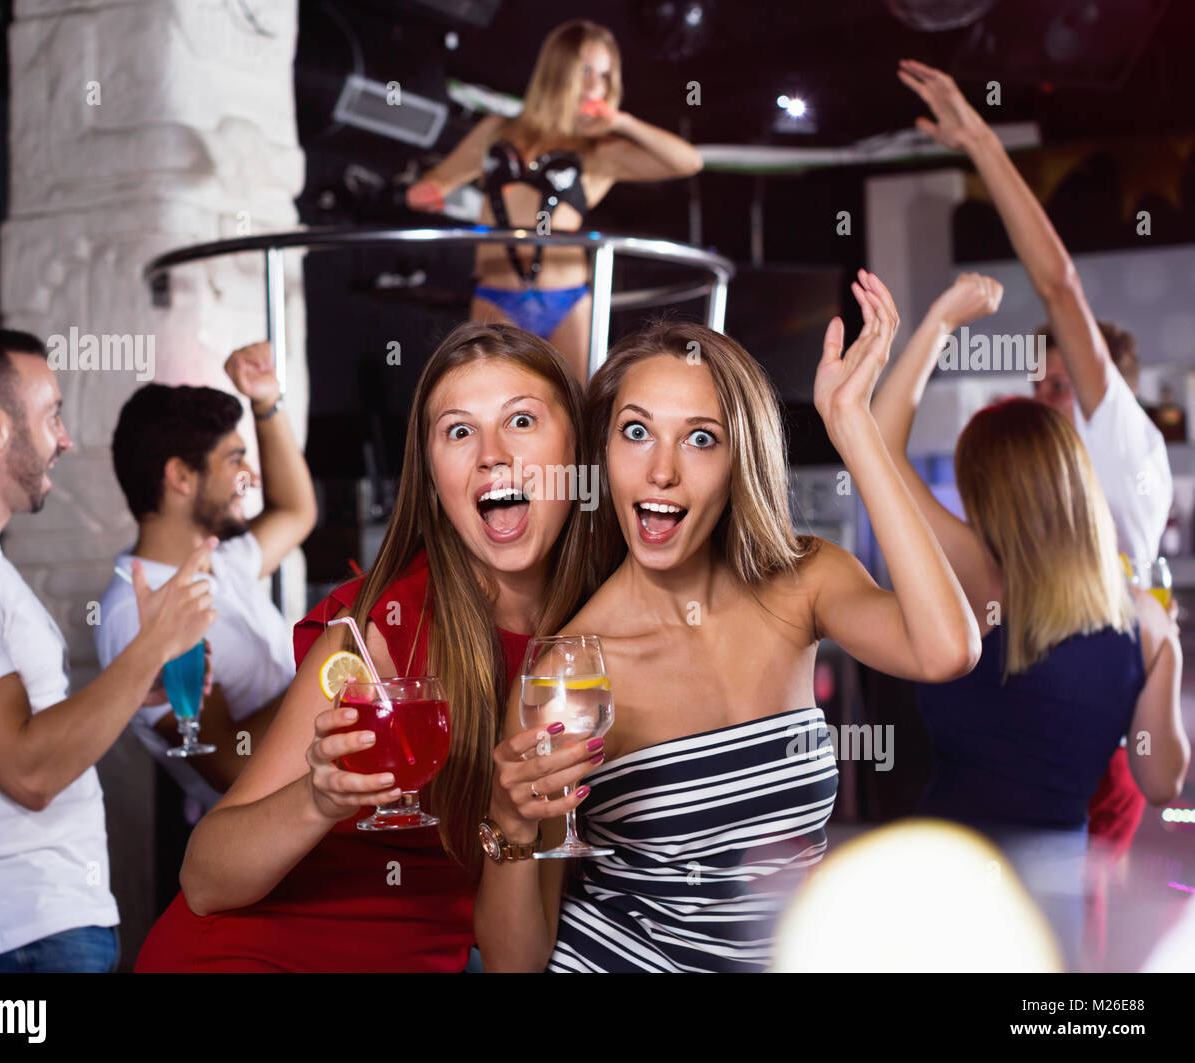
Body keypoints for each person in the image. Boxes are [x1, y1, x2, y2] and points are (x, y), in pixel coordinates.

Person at [475, 273, 983, 972]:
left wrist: (854, 426)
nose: (662, 470)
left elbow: (947, 649)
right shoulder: (575, 669)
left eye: (700, 439)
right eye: (636, 432)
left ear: (740, 457)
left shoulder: (805, 581)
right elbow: (515, 963)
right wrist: (508, 824)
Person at [132, 322, 592, 972]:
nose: (492, 454)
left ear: (575, 448)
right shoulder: (382, 630)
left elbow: (518, 960)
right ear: (434, 478)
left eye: (521, 420)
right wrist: (319, 798)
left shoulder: (581, 656)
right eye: (459, 431)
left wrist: (513, 827)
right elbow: (205, 878)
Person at [898, 56, 1176, 909]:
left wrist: (978, 140)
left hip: (1095, 706)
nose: (1043, 397)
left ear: (1105, 393)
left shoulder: (1121, 441)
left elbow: (1059, 282)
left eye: (1059, 386)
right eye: (1040, 386)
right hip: (1057, 702)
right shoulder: (1004, 558)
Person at [869, 271, 1189, 968]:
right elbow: (1163, 783)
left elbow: (878, 444)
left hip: (940, 875)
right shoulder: (1141, 620)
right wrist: (1169, 658)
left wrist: (941, 321)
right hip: (1053, 896)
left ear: (989, 493)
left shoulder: (977, 573)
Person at [0, 329, 215, 973]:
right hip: (13, 942)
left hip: (48, 930)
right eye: (52, 415)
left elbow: (40, 734)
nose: (65, 440)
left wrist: (143, 678)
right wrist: (150, 642)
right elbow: (29, 772)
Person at [407, 19, 703, 381]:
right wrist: (426, 195)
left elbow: (688, 161)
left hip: (568, 301)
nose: (597, 84)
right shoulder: (496, 132)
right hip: (497, 296)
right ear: (557, 68)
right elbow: (436, 182)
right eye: (586, 69)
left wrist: (623, 123)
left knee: (574, 415)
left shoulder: (599, 151)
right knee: (495, 404)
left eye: (606, 75)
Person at [94, 342, 316, 806]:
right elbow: (228, 766)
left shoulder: (223, 559)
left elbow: (296, 511)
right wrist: (330, 670)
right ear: (180, 477)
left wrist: (266, 402)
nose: (251, 478)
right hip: (265, 850)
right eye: (235, 460)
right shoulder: (138, 610)